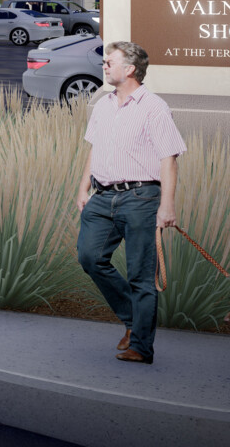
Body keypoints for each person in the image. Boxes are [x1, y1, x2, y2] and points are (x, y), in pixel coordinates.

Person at [74, 40, 186, 365]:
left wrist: (167, 206)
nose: (104, 65)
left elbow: (169, 158)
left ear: (130, 69)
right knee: (89, 257)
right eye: (105, 61)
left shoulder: (154, 107)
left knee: (140, 275)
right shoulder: (103, 105)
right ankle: (132, 319)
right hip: (102, 196)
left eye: (110, 61)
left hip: (141, 198)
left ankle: (141, 346)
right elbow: (93, 149)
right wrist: (83, 187)